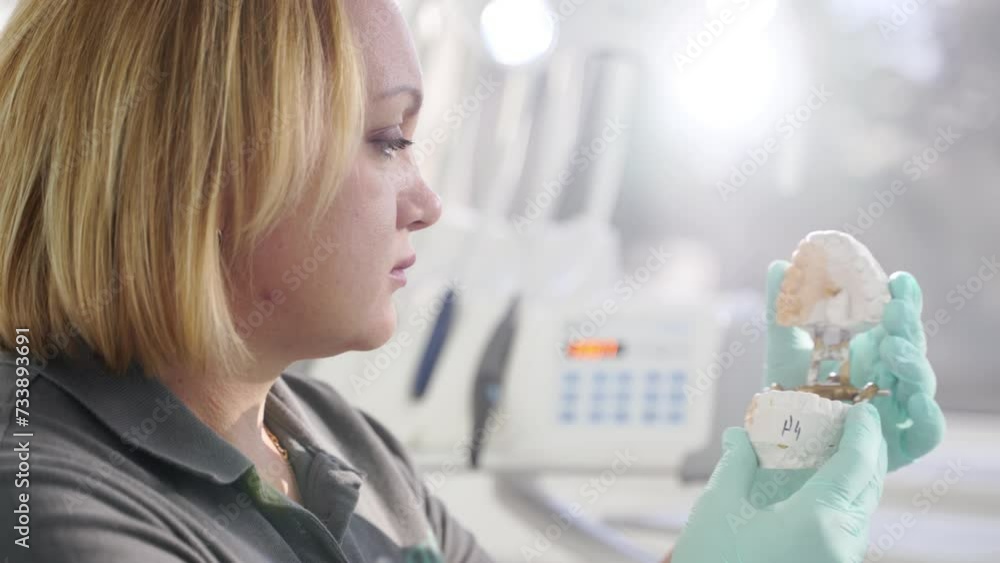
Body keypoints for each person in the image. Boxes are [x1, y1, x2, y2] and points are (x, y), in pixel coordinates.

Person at [0, 1, 944, 562]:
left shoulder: (341, 445)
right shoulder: (44, 498)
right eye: (388, 140)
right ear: (198, 169)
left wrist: (758, 504)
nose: (428, 201)